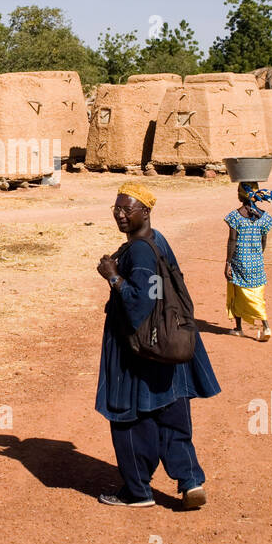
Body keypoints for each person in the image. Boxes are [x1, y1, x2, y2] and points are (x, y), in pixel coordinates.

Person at [95, 182, 221, 508]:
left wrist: (112, 275)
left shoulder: (138, 250)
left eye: (127, 209)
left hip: (142, 352)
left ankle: (138, 491)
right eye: (116, 209)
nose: (120, 216)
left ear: (145, 212)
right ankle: (190, 481)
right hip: (169, 346)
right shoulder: (158, 240)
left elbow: (141, 302)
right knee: (173, 414)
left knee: (130, 418)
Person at [224, 181, 272, 341]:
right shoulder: (264, 217)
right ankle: (258, 327)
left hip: (239, 261)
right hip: (257, 263)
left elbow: (232, 241)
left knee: (237, 293)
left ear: (240, 195)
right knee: (257, 295)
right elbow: (264, 241)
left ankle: (243, 327)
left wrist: (227, 263)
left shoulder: (235, 216)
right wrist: (258, 255)